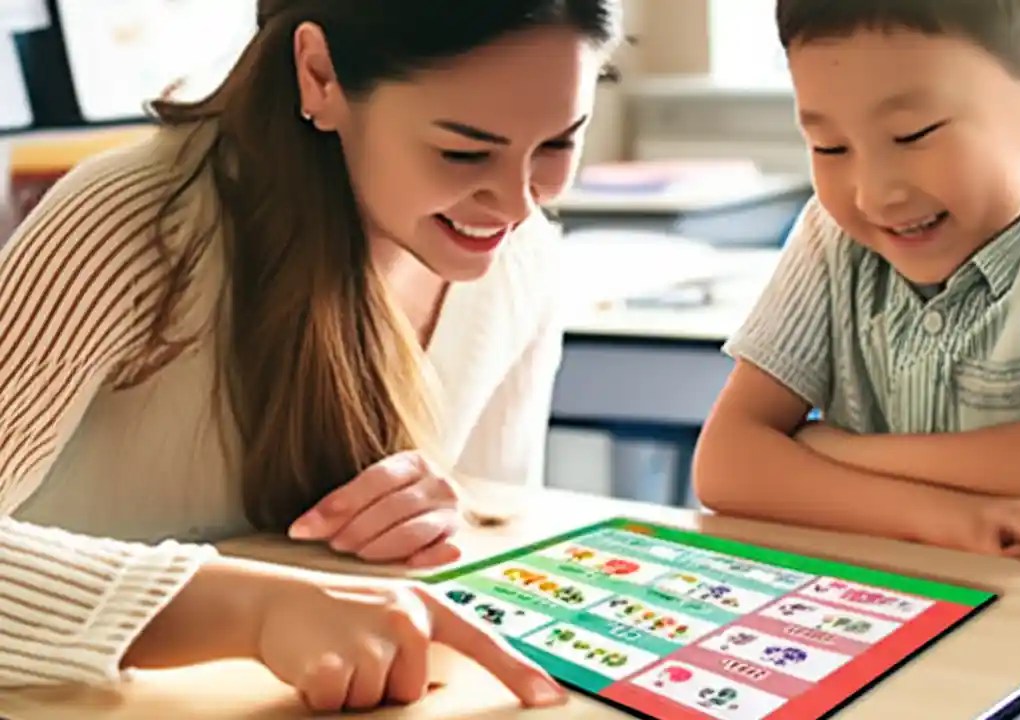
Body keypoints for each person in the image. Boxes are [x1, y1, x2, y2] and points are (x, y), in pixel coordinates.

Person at [0, 0, 622, 712]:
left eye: (558, 145)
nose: (515, 203)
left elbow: (488, 556)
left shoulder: (521, 258)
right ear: (319, 75)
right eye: (463, 152)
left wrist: (451, 514)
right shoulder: (131, 224)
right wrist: (254, 612)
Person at [692, 1, 1020, 718]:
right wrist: (950, 520)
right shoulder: (832, 236)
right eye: (829, 148)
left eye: (914, 134)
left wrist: (828, 448)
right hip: (884, 621)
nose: (874, 192)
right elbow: (725, 464)